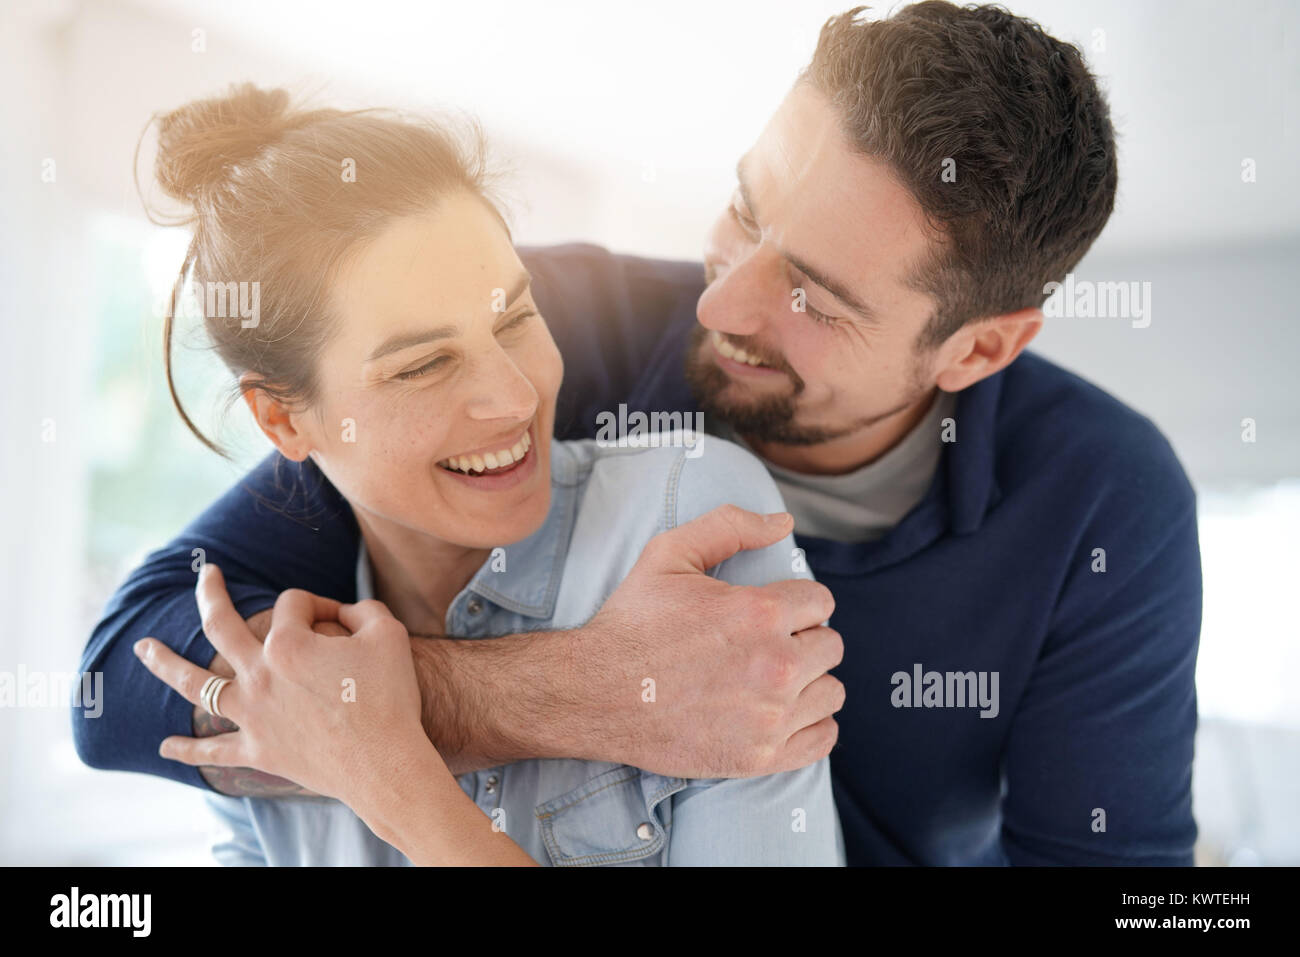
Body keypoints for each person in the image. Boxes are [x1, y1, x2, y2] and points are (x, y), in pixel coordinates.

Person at [77, 3, 1202, 866]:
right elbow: (124, 678)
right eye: (747, 209)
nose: (719, 305)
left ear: (976, 351)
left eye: (812, 293)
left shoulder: (1105, 499)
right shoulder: (538, 332)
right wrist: (575, 692)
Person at [113, 83, 844, 866]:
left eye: (515, 319)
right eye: (423, 364)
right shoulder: (271, 666)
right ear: (284, 421)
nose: (517, 396)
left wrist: (396, 783)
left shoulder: (686, 512)